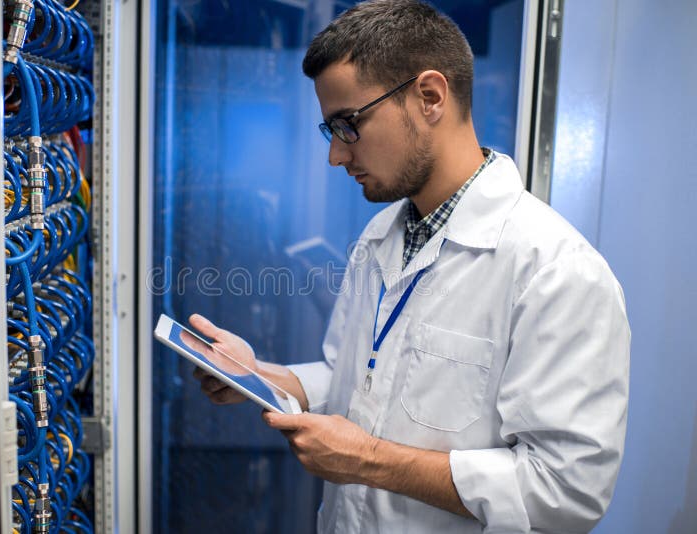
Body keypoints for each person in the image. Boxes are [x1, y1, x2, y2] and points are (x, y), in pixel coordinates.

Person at [191, 1, 631, 532]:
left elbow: (566, 491)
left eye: (348, 125)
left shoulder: (556, 271)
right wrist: (261, 376)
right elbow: (354, 379)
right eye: (329, 130)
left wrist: (369, 462)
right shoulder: (380, 236)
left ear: (429, 97)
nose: (335, 156)